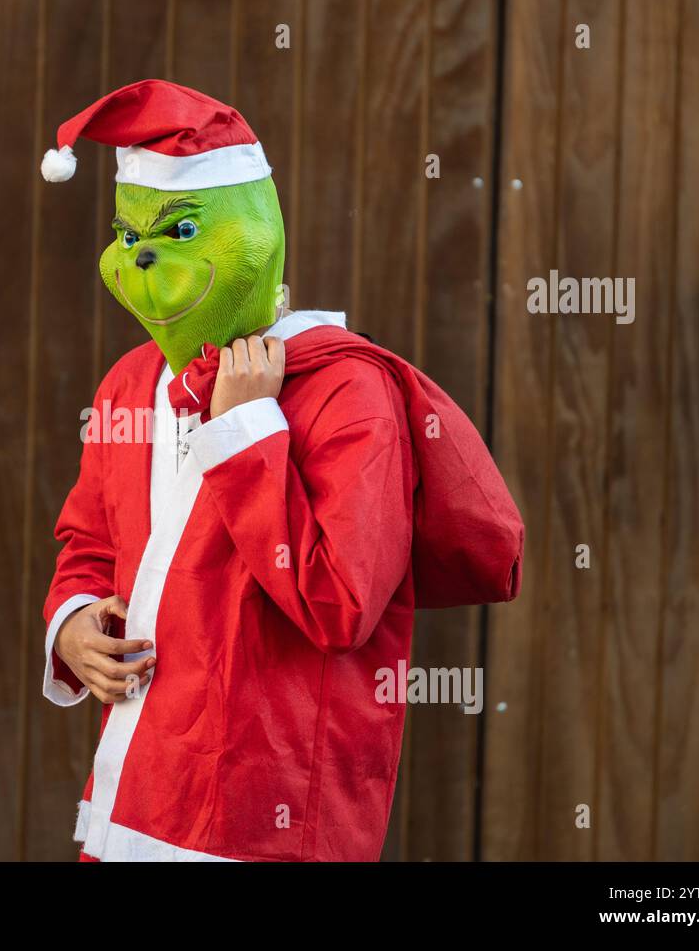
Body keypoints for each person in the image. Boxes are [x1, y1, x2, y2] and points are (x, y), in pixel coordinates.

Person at [39, 80, 523, 862]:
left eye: (180, 230)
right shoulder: (129, 386)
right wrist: (75, 620)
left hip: (268, 828)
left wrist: (243, 429)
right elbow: (88, 538)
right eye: (127, 236)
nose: (141, 258)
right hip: (129, 805)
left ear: (252, 236)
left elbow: (341, 605)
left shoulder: (346, 391)